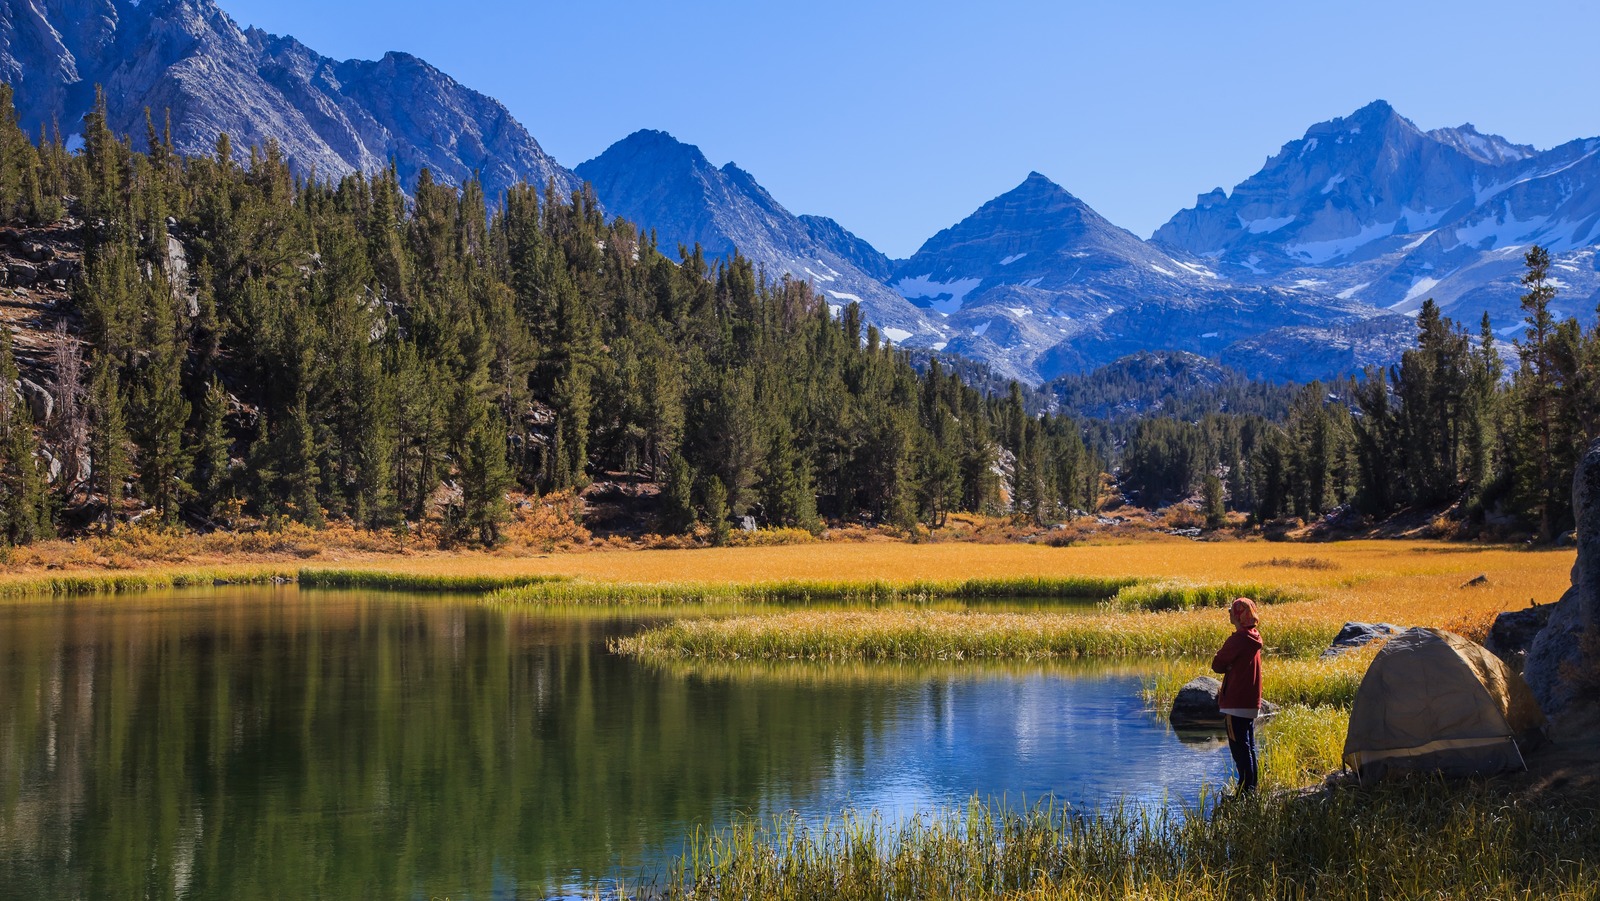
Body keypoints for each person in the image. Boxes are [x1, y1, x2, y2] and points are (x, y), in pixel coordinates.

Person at [1212, 597, 1263, 795]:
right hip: (1250, 702)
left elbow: (1217, 665)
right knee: (1249, 747)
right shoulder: (1254, 636)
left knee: (1239, 750)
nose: (1229, 613)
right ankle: (1251, 790)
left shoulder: (1238, 639)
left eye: (1232, 610)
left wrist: (1228, 665)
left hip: (1235, 703)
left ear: (1240, 615)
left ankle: (1244, 793)